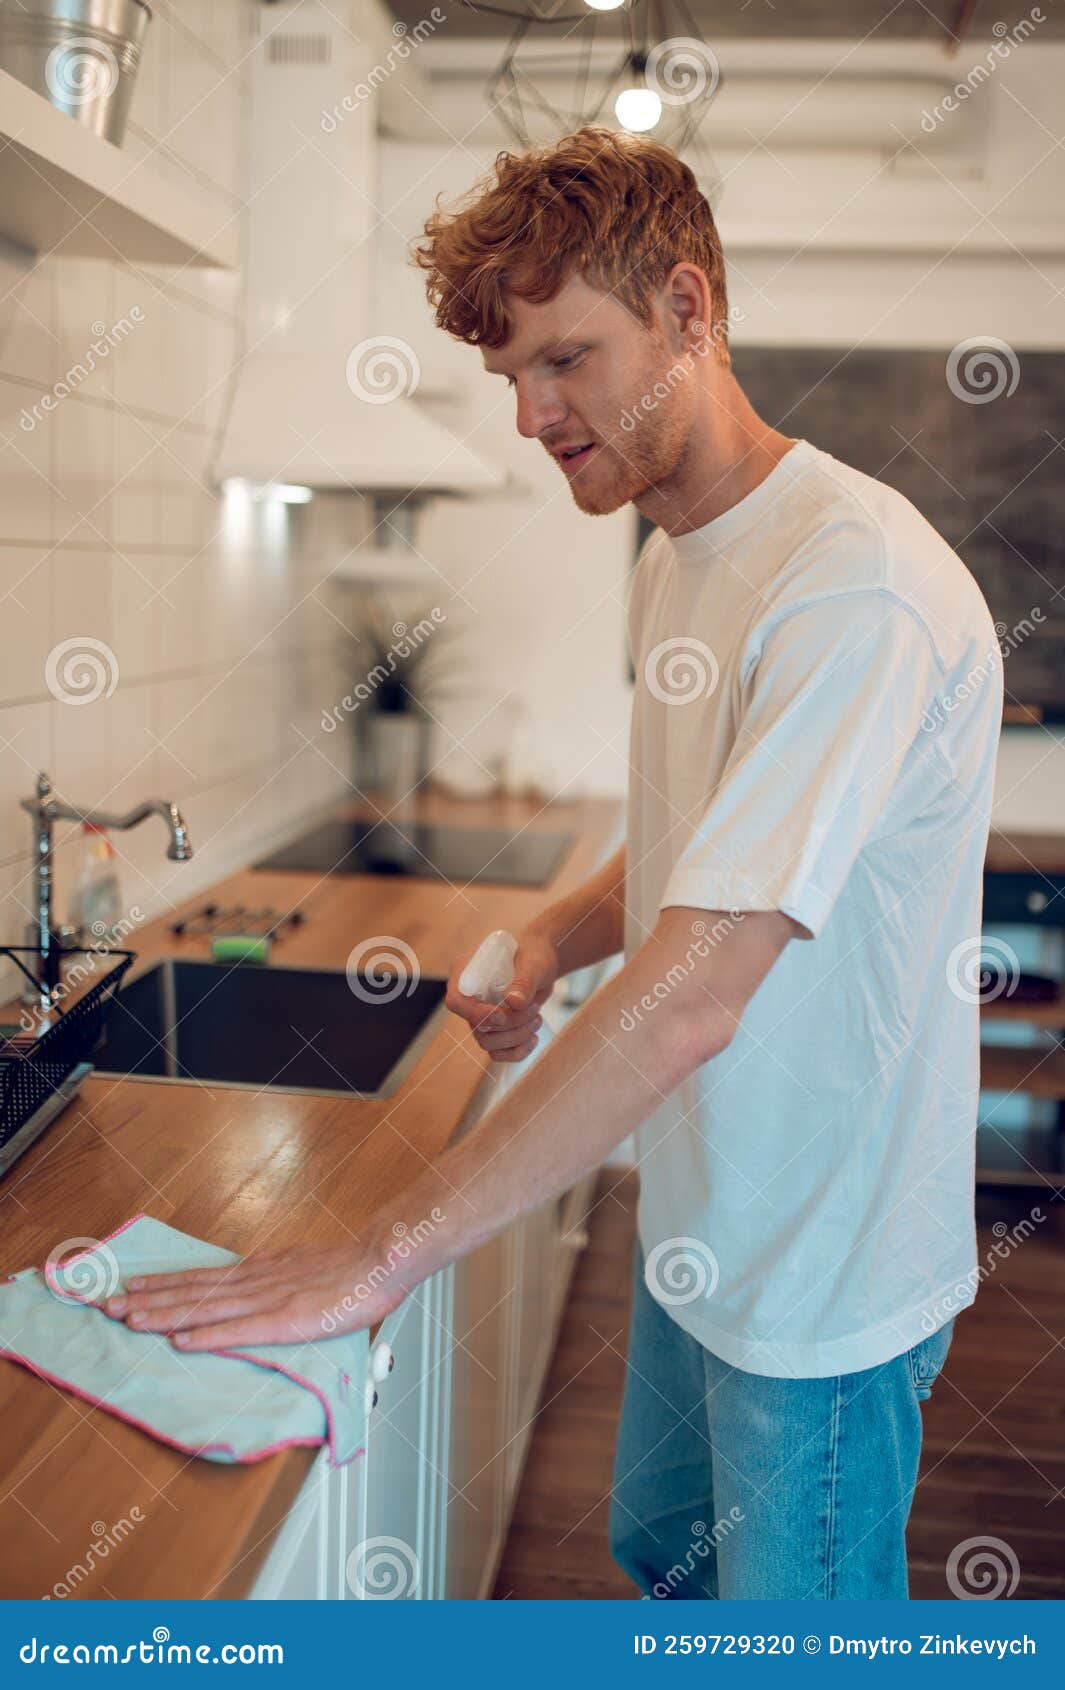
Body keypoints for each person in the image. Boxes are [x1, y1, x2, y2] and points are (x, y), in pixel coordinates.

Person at [106, 127, 1002, 1599]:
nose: (531, 414)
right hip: (706, 1209)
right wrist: (556, 932)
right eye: (509, 377)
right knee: (660, 1557)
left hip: (821, 1271)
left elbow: (703, 993)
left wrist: (379, 1253)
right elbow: (696, 846)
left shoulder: (852, 589)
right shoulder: (669, 548)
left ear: (689, 311)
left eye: (567, 359)